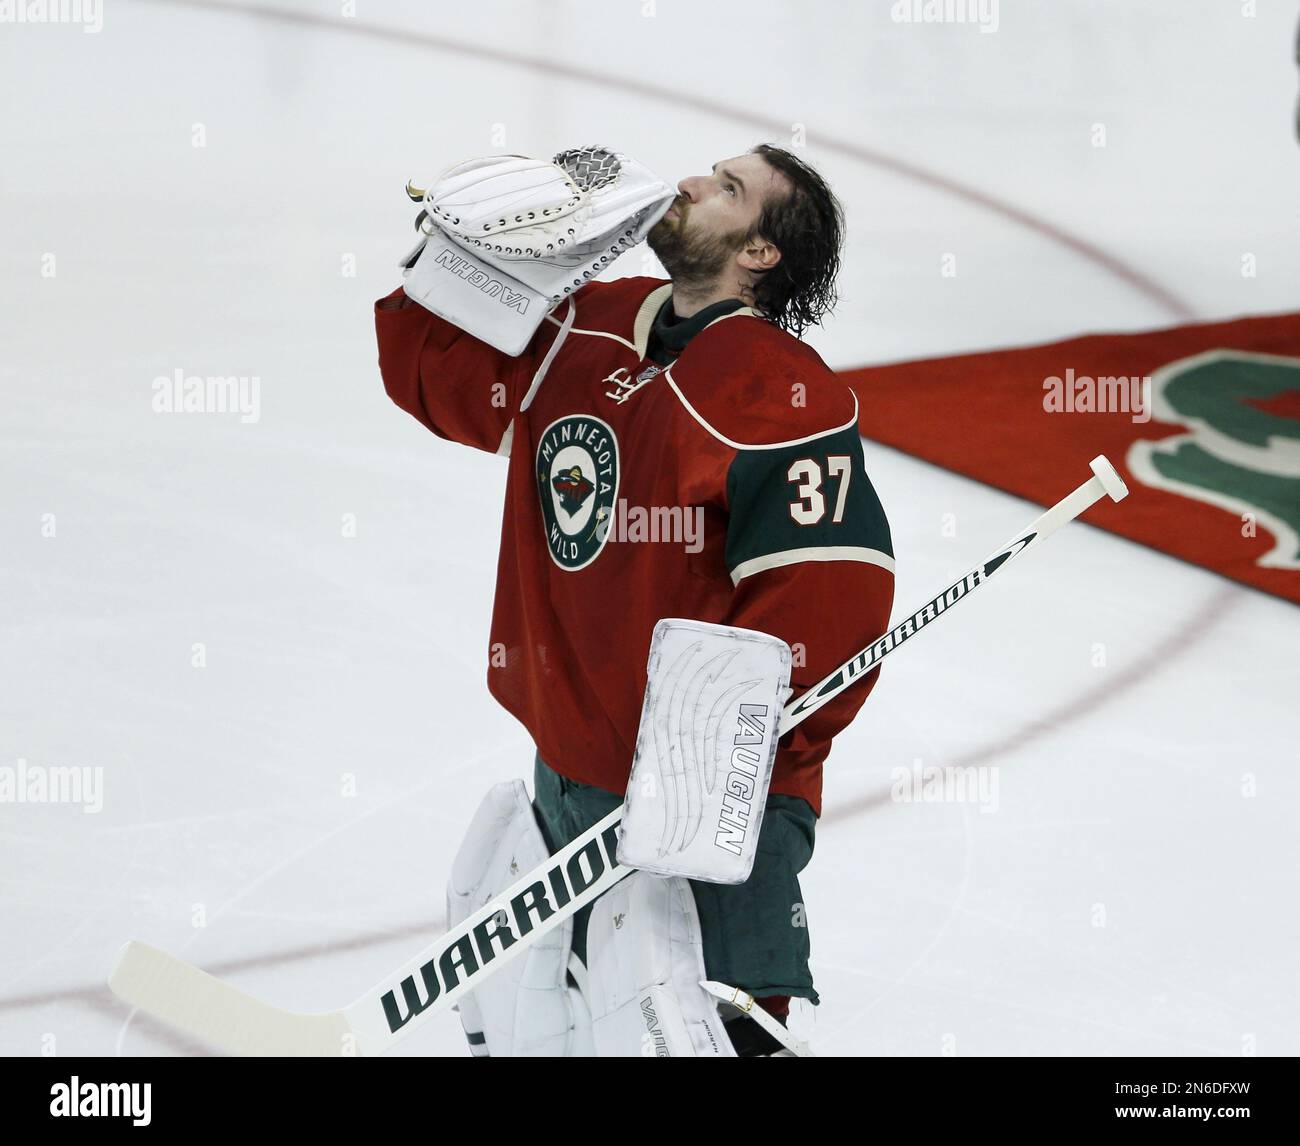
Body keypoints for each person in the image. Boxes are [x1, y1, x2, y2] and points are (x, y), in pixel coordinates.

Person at [375, 143, 894, 1055]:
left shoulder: (782, 394)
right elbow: (440, 384)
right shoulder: (590, 323)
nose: (692, 183)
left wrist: (708, 771)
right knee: (566, 1024)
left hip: (707, 809)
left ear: (759, 254)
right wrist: (460, 264)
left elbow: (830, 605)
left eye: (728, 189)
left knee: (721, 1037)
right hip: (570, 765)